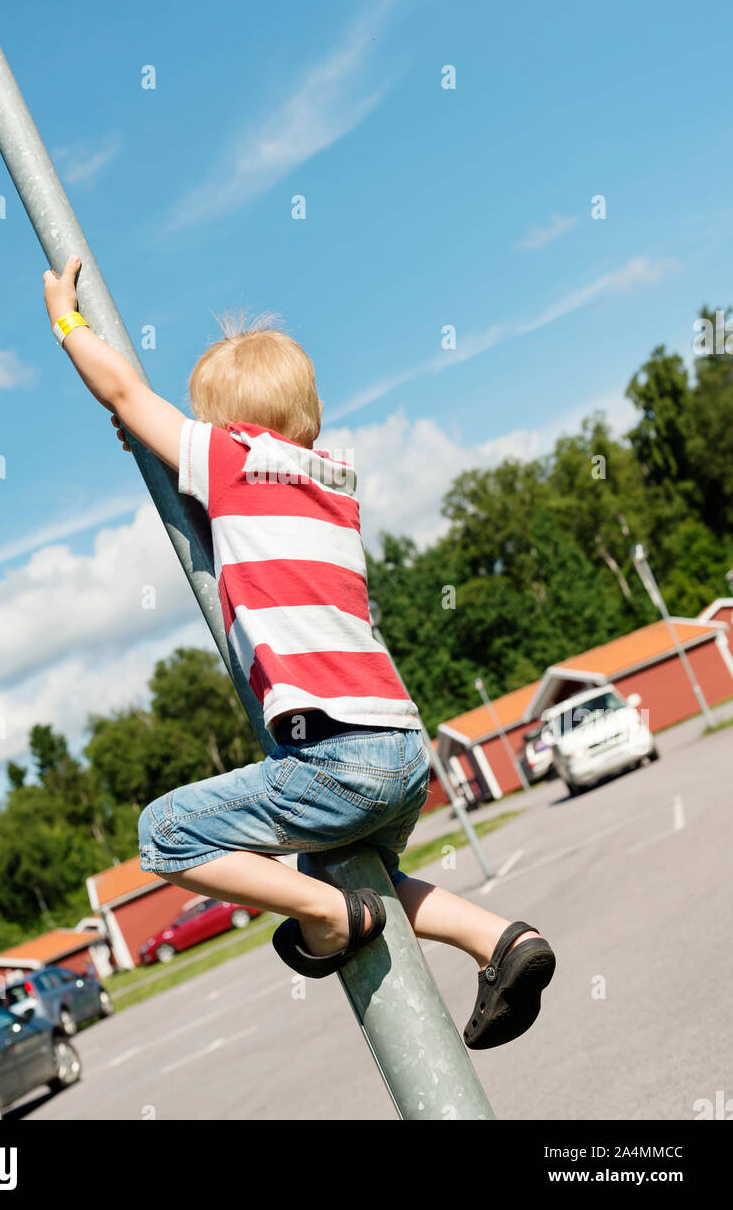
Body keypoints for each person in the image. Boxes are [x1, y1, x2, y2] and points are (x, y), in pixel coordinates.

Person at [43, 257, 555, 1047]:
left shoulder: (230, 462)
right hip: (402, 749)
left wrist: (68, 325)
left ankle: (326, 918)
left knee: (165, 832)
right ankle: (499, 940)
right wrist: (160, 448)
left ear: (220, 428)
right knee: (369, 880)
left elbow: (123, 393)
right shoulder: (331, 487)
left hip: (336, 756)